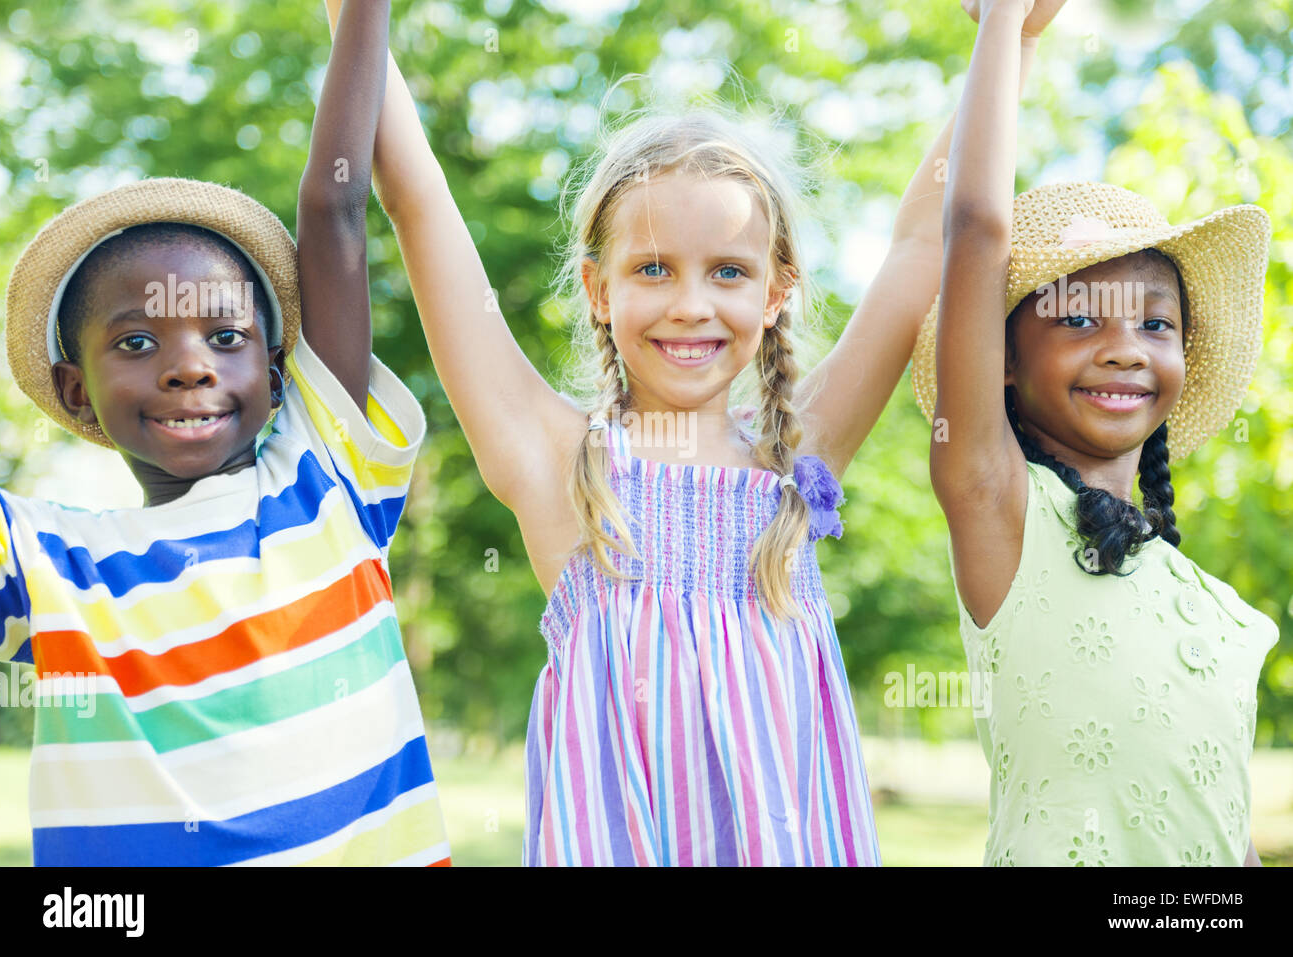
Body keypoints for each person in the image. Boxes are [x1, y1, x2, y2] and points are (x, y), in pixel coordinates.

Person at [338, 0, 1061, 864]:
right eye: (652, 269)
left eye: (728, 270)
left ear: (775, 290)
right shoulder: (555, 463)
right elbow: (418, 199)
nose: (691, 304)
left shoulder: (800, 456)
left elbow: (922, 244)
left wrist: (1012, 36)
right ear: (598, 290)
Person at [0, 0, 449, 865]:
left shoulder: (328, 479)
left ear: (278, 376)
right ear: (73, 391)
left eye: (227, 336)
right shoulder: (47, 558)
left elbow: (335, 207)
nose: (190, 365)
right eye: (136, 341)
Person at [920, 0, 1276, 865]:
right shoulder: (1000, 505)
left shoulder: (1211, 604)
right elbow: (975, 231)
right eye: (1078, 319)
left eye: (1156, 325)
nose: (1124, 349)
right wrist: (1006, 25)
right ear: (1003, 359)